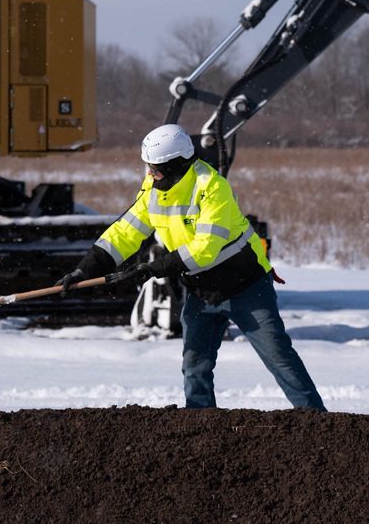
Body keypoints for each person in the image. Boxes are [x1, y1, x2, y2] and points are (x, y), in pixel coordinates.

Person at [60, 123, 325, 410]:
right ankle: (200, 422)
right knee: (195, 364)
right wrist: (85, 269)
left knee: (279, 358)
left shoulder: (212, 188)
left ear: (176, 165)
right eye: (148, 167)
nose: (150, 173)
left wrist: (152, 268)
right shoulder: (153, 189)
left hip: (246, 288)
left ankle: (315, 418)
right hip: (202, 292)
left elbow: (205, 248)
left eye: (155, 168)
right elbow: (125, 232)